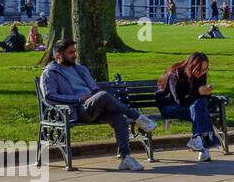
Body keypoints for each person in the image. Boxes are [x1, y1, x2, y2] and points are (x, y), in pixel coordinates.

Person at [41, 39, 157, 171]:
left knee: (118, 116)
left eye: (75, 51)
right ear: (58, 55)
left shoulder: (81, 69)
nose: (74, 55)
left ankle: (126, 158)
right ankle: (138, 118)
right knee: (103, 96)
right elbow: (49, 96)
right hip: (76, 110)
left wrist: (95, 97)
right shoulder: (50, 73)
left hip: (94, 107)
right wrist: (78, 99)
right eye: (70, 52)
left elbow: (95, 89)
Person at [156, 52, 219, 161]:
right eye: (199, 70)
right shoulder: (175, 74)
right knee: (200, 111)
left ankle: (198, 142)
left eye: (205, 70)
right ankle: (204, 147)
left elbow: (198, 98)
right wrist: (199, 92)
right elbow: (179, 100)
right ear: (191, 66)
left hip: (191, 106)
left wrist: (207, 93)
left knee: (200, 106)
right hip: (169, 106)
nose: (201, 73)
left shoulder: (200, 75)